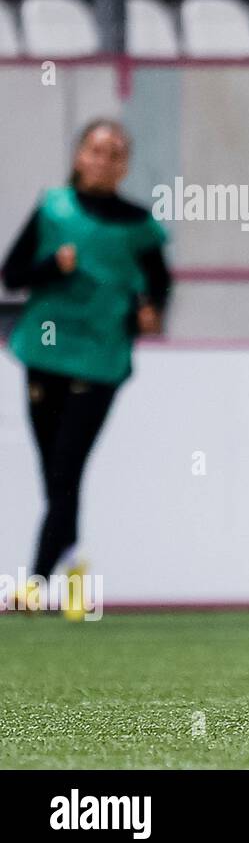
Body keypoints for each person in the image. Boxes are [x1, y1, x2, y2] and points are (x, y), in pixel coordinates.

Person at [1, 119, 171, 620]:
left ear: (126, 165)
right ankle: (73, 569)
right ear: (79, 156)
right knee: (55, 473)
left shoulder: (139, 225)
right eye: (98, 149)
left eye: (117, 152)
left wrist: (149, 310)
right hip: (47, 349)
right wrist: (54, 265)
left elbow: (159, 287)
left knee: (67, 466)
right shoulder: (53, 207)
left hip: (99, 357)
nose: (106, 159)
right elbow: (12, 275)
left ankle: (34, 582)